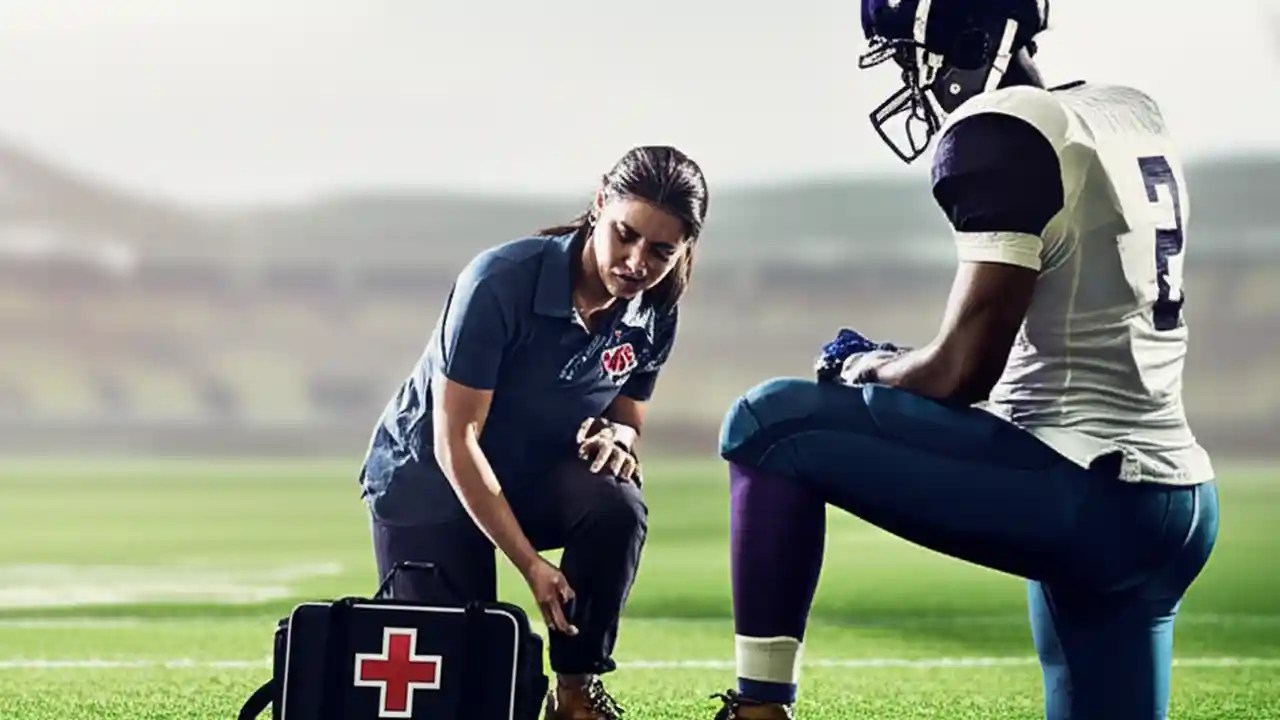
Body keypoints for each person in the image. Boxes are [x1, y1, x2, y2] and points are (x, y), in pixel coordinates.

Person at [710, 2, 1219, 719]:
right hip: (1178, 495)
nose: (904, 74)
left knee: (767, 425)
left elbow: (960, 373)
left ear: (973, 40)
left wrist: (868, 367)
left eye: (904, 52)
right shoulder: (1128, 109)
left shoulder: (1003, 130)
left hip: (1086, 488)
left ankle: (758, 709)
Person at [359, 145, 709, 720]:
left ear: (684, 248)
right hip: (430, 482)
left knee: (616, 502)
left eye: (661, 250)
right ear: (600, 204)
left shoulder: (657, 306)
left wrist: (619, 438)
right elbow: (456, 441)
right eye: (625, 235)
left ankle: (575, 693)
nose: (636, 262)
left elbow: (628, 412)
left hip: (533, 476)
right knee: (460, 695)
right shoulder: (499, 282)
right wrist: (530, 565)